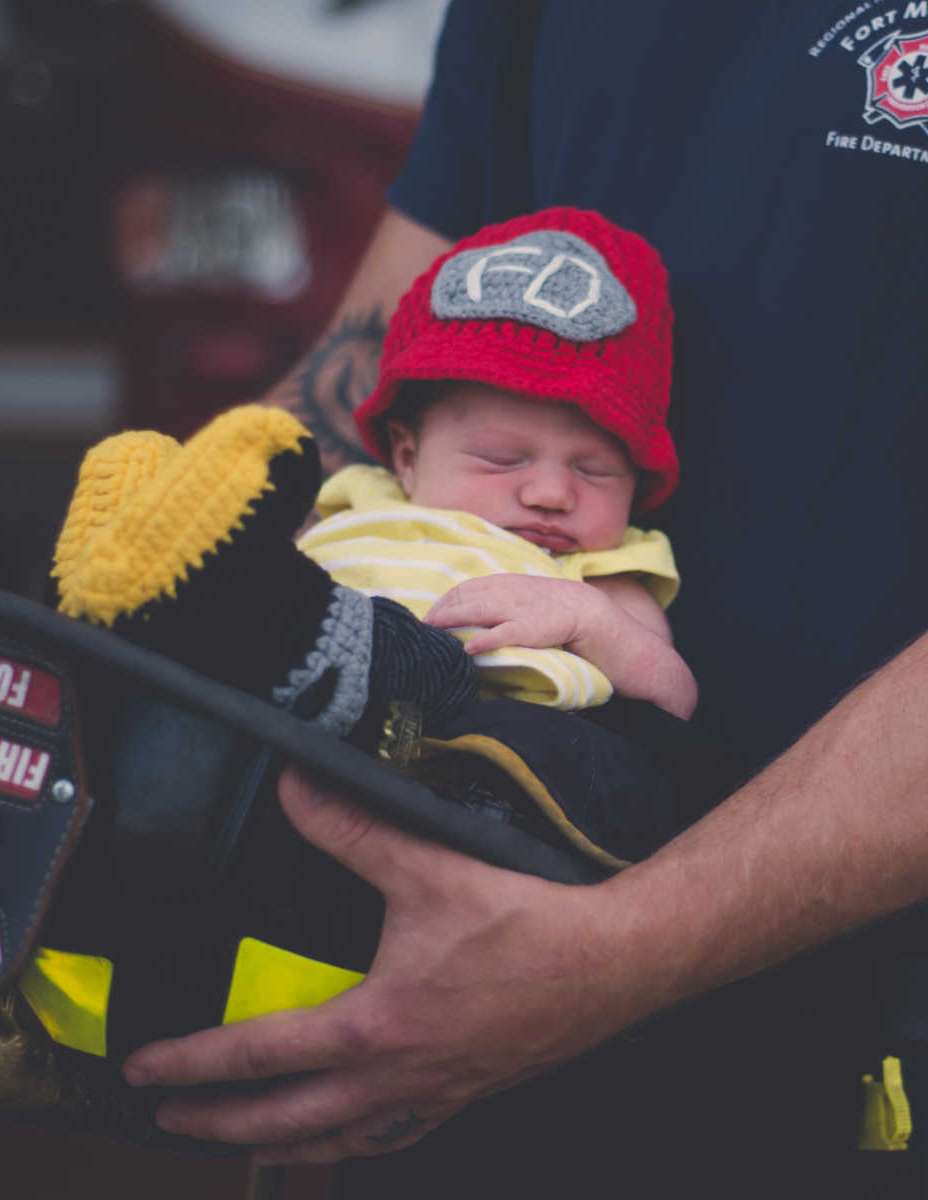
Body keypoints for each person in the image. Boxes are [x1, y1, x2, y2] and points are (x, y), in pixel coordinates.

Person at [117, 2, 928, 1195]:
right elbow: (385, 376)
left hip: (880, 1080)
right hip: (445, 1026)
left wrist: (618, 951)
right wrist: (96, 685)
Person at [51, 206, 707, 868]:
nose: (550, 493)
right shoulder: (362, 498)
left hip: (464, 769)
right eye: (502, 459)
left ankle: (185, 608)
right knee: (190, 683)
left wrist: (589, 619)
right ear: (407, 456)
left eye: (593, 470)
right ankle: (123, 590)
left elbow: (672, 696)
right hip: (275, 733)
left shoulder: (608, 563)